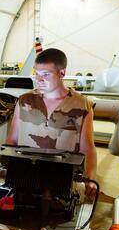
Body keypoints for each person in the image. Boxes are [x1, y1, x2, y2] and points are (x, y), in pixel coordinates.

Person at [6, 48, 97, 199]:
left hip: (63, 183)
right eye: (37, 74)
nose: (39, 80)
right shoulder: (24, 101)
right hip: (26, 180)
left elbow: (88, 149)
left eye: (46, 75)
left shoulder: (82, 106)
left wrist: (91, 179)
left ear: (62, 73)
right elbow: (12, 141)